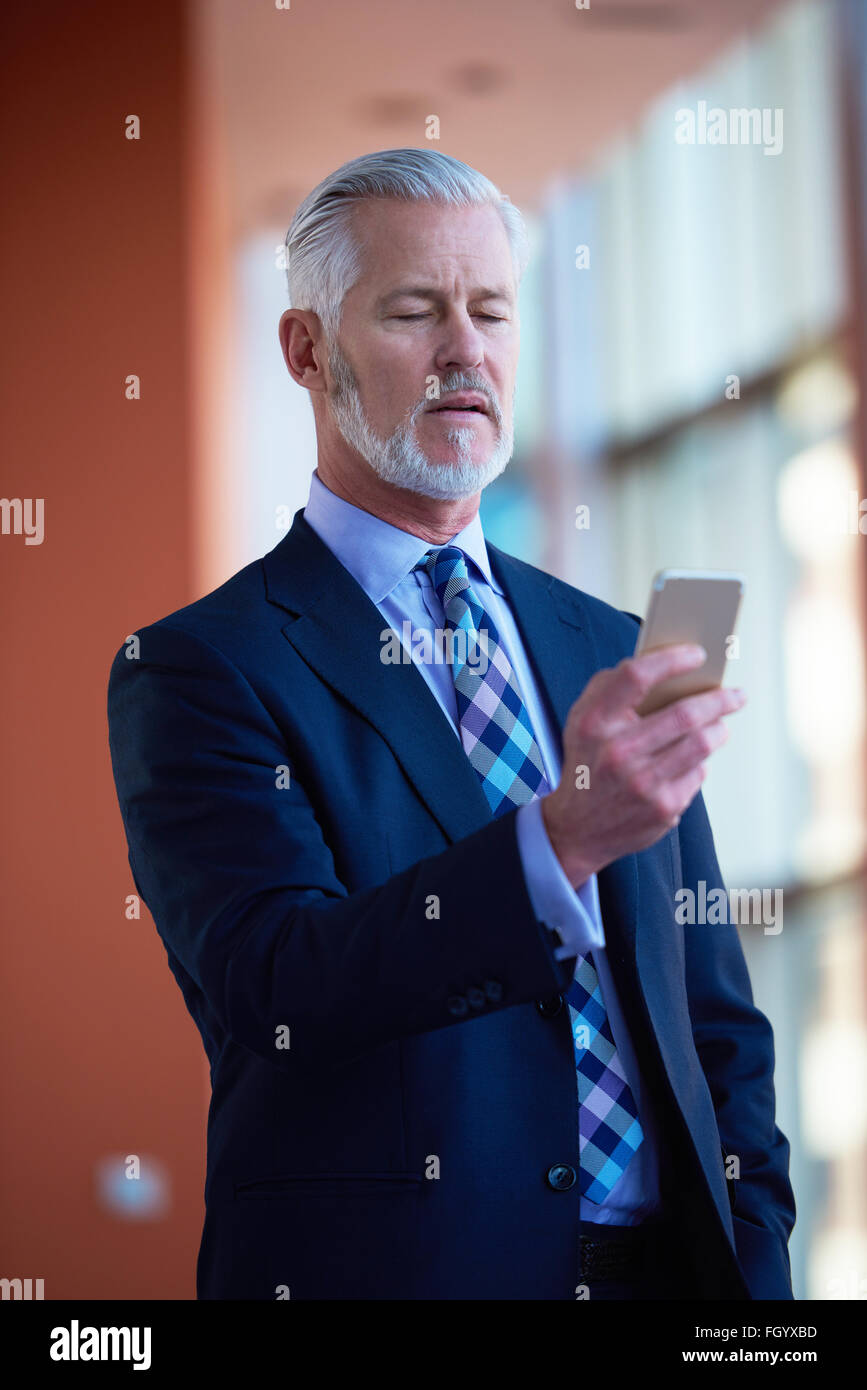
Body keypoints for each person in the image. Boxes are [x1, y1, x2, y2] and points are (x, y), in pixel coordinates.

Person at [107, 147, 795, 1301]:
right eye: (415, 310)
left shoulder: (608, 644)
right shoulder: (198, 668)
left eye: (490, 310)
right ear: (307, 350)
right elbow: (279, 988)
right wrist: (557, 843)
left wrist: (759, 1266)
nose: (464, 348)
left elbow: (714, 1022)